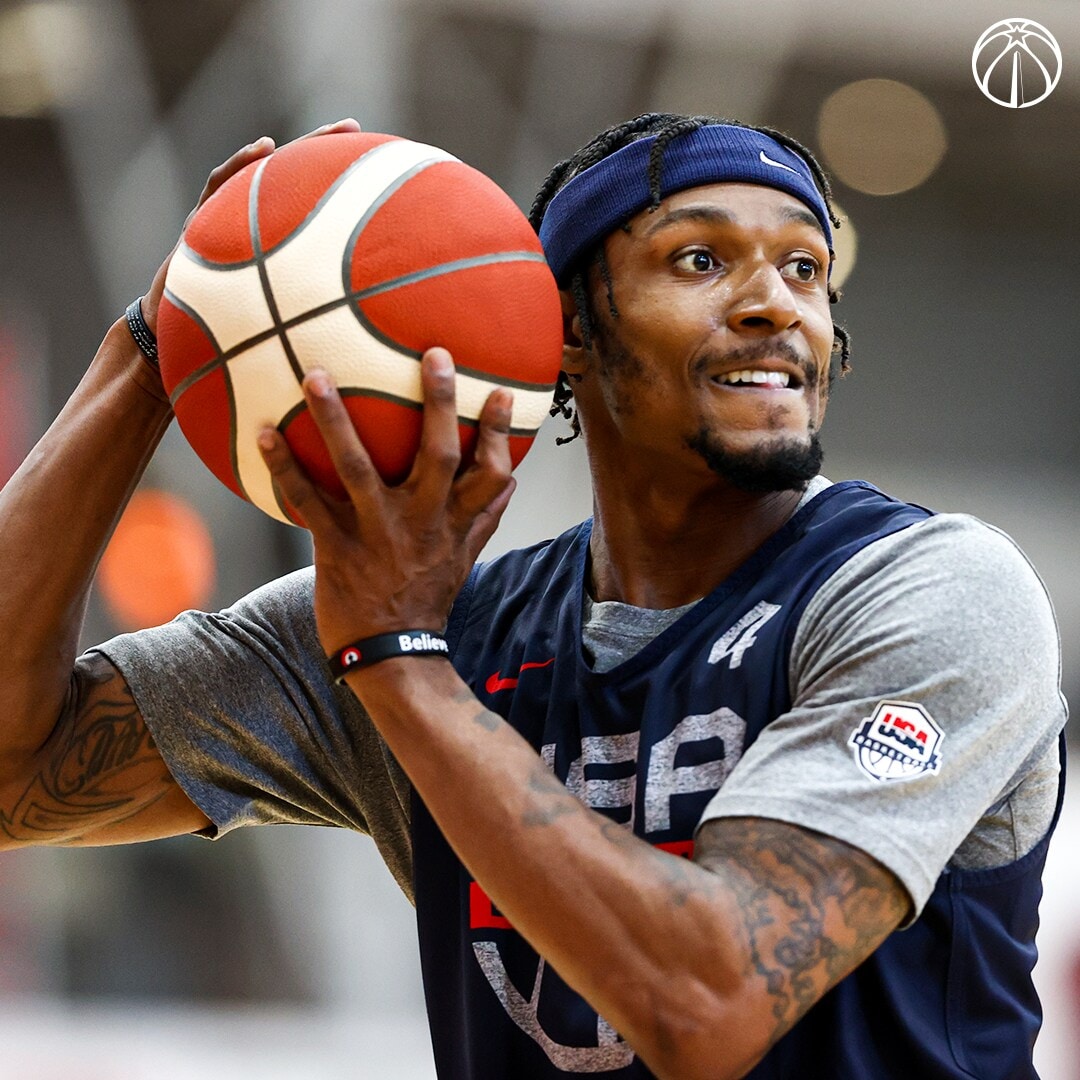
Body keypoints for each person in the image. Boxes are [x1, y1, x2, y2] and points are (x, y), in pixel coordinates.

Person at [0, 111, 1066, 1080]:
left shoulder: (928, 591)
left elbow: (710, 1006)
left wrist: (398, 664)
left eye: (805, 268)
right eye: (700, 259)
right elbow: (15, 775)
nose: (774, 305)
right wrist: (163, 343)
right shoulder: (435, 624)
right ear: (563, 329)